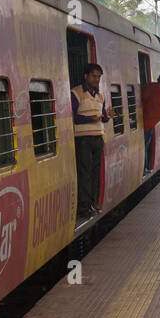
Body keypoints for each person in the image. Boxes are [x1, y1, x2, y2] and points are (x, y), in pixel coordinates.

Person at [71, 62, 109, 219]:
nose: (96, 80)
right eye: (94, 76)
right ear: (85, 76)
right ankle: (83, 208)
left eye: (98, 77)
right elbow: (71, 117)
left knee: (95, 174)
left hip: (98, 139)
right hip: (83, 140)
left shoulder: (100, 96)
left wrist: (108, 115)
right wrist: (89, 119)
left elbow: (103, 119)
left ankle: (93, 204)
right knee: (85, 174)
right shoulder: (76, 93)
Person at [140, 70, 160, 175]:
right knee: (146, 146)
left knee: (144, 146)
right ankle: (144, 168)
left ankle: (144, 167)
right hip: (149, 123)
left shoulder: (149, 86)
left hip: (140, 119)